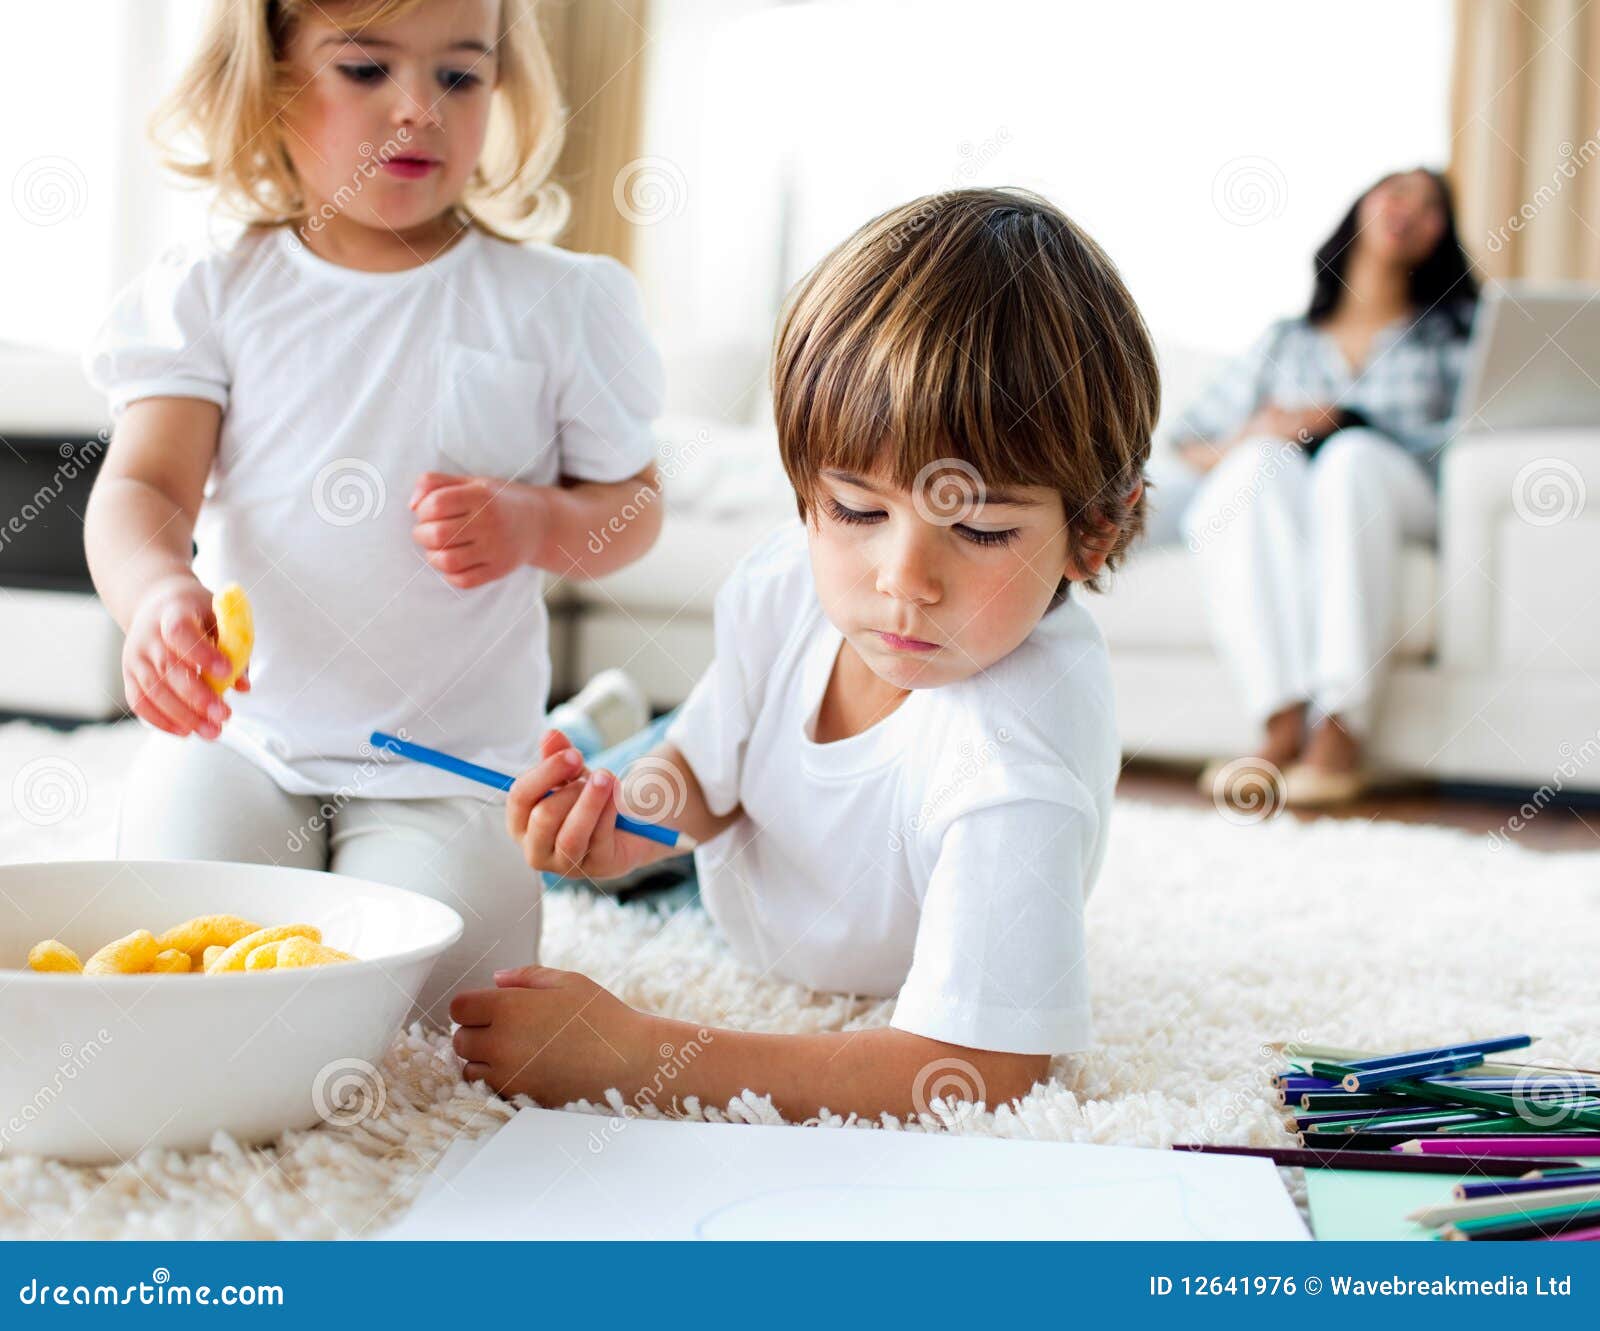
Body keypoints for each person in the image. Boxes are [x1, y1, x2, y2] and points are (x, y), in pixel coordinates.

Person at [449, 187, 1162, 1121]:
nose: (903, 579)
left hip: (795, 889)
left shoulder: (1016, 754)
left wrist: (637, 1056)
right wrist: (625, 823)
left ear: (1093, 532)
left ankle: (606, 724)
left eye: (980, 528)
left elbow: (985, 1070)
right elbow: (705, 770)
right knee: (558, 840)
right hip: (762, 856)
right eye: (857, 510)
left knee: (641, 879)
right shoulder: (788, 579)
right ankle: (602, 730)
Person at [81, 0, 665, 1027]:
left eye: (459, 75)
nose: (418, 110)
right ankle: (589, 722)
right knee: (190, 949)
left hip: (447, 766)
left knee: (438, 995)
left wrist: (535, 521)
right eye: (364, 70)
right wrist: (157, 591)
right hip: (245, 740)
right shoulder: (215, 288)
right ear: (269, 79)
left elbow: (634, 506)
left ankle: (578, 731)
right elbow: (145, 488)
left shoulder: (559, 301)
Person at [1146, 168, 1479, 806]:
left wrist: (1348, 420)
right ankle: (1280, 722)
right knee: (1254, 463)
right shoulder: (1286, 340)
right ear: (1362, 208)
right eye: (1398, 192)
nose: (1411, 209)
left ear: (1443, 235)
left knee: (1350, 458)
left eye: (1432, 206)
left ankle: (1339, 730)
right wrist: (1261, 431)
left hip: (1401, 488)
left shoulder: (1452, 334)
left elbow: (1473, 432)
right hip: (1297, 489)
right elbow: (1189, 441)